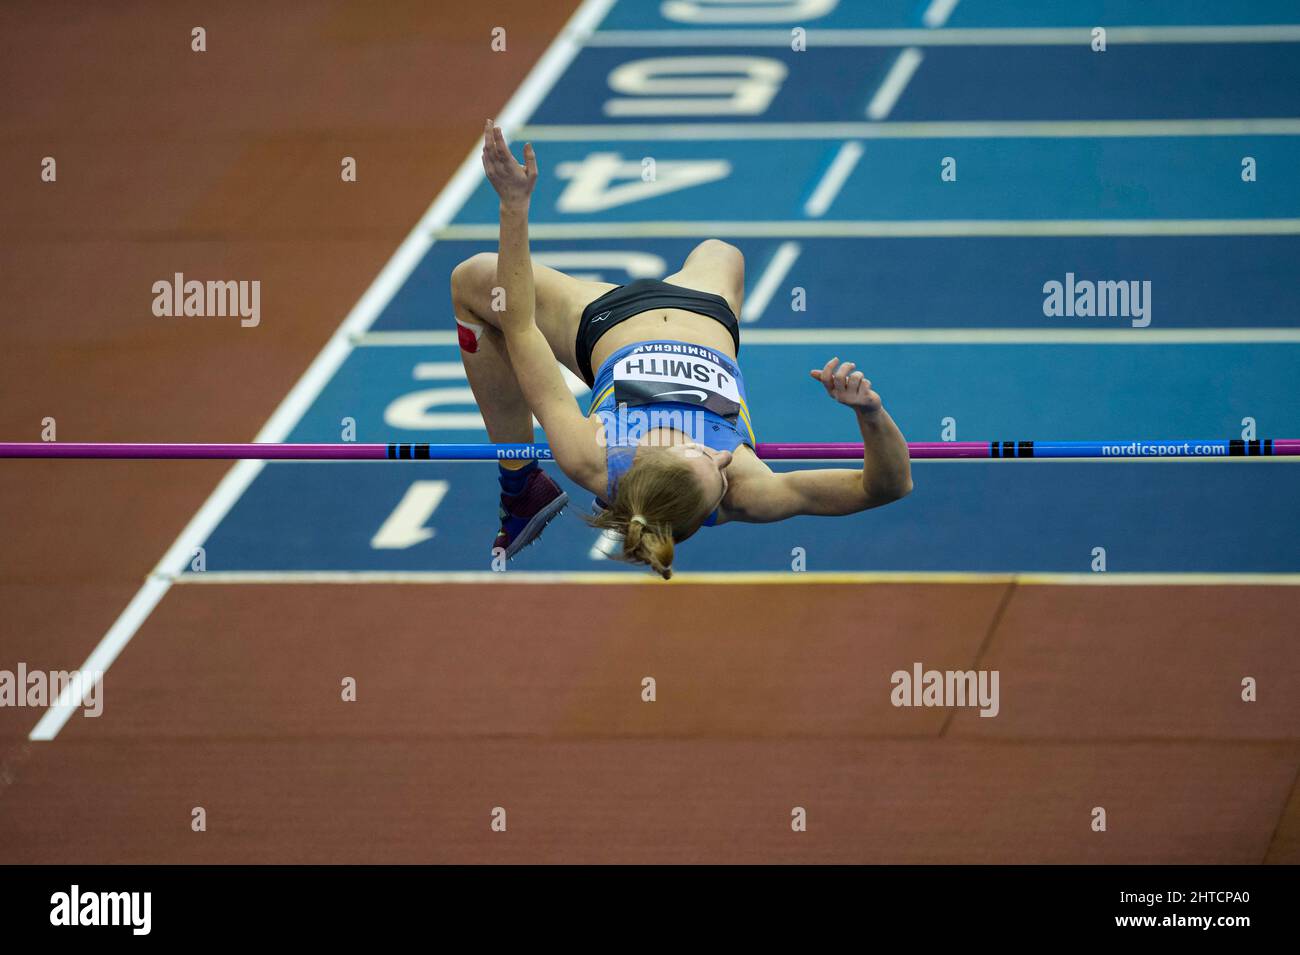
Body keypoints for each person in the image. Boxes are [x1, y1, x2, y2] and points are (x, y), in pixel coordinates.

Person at [451, 121, 912, 578]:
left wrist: (514, 206)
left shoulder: (591, 455)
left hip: (599, 321)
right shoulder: (747, 491)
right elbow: (884, 488)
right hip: (704, 310)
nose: (725, 457)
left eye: (710, 462)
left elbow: (521, 326)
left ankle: (519, 483)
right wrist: (870, 412)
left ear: (656, 465)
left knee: (474, 279)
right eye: (724, 474)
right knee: (720, 250)